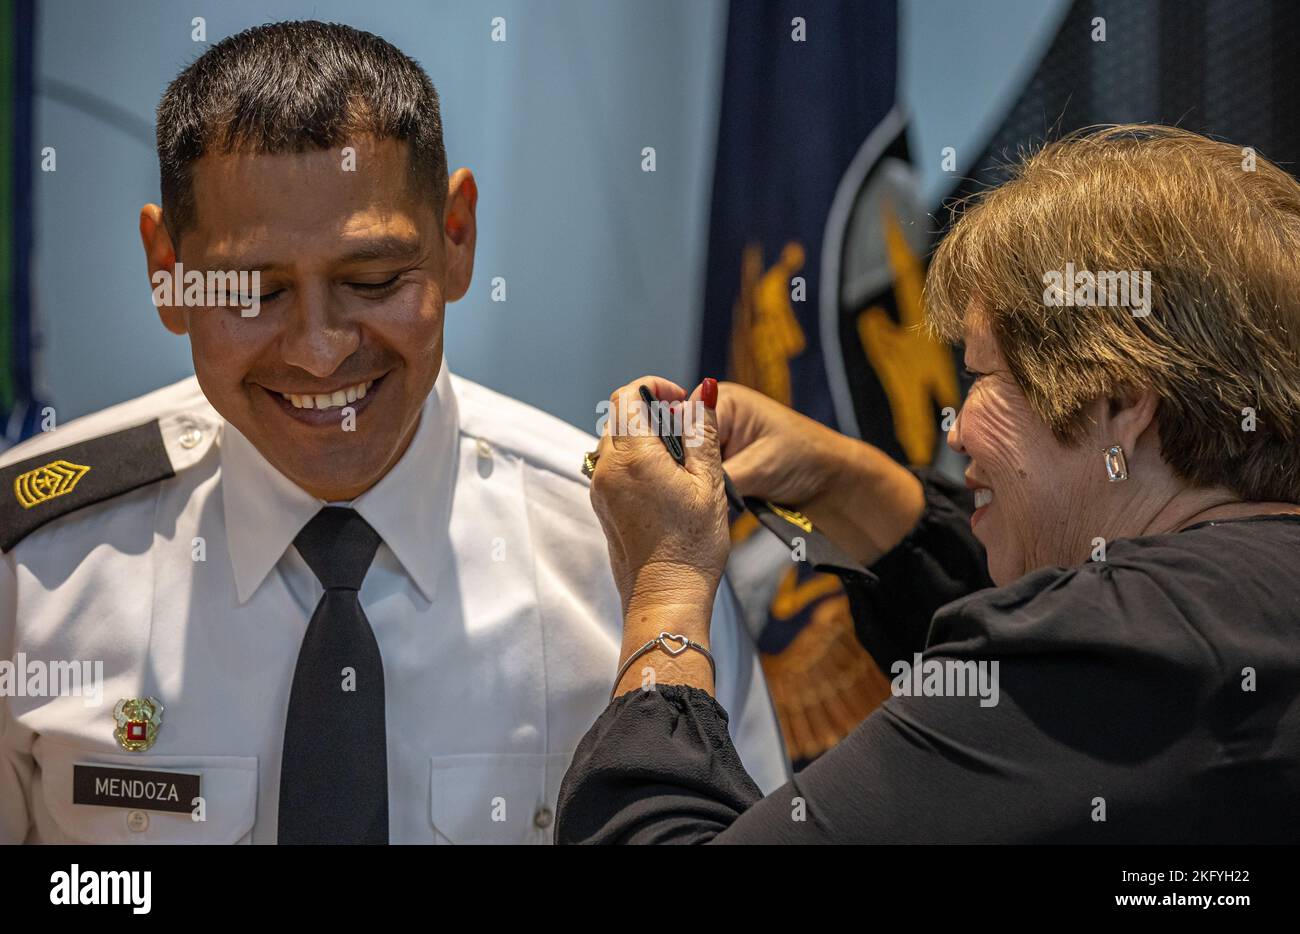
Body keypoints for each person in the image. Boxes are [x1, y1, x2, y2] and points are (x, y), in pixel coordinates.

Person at [0, 21, 787, 845]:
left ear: (456, 237)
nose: (318, 350)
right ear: (166, 271)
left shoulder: (632, 559)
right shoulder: (39, 568)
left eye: (373, 280)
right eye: (251, 294)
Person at [557, 125, 1300, 843]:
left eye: (982, 377)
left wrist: (665, 589)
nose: (955, 428)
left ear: (1121, 404)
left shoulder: (1112, 650)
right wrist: (843, 483)